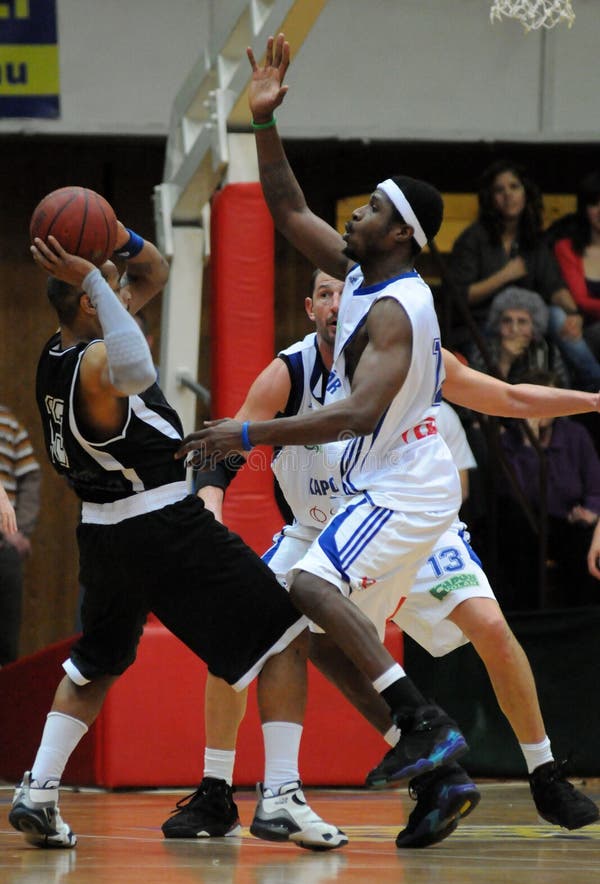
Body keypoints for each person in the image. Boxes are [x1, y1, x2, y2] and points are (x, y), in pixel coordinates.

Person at [176, 36, 600, 840]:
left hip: (409, 485)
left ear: (399, 234)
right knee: (306, 623)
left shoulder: (398, 312)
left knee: (317, 593)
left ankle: (446, 731)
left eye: (369, 210)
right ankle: (432, 764)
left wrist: (245, 430)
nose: (353, 217)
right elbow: (288, 208)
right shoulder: (362, 278)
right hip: (372, 492)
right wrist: (263, 123)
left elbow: (363, 416)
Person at [170, 269, 600, 846]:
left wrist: (593, 399)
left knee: (491, 626)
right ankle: (219, 789)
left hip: (408, 517)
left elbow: (510, 397)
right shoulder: (291, 371)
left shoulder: (410, 356)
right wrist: (210, 499)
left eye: (345, 293)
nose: (336, 303)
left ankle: (545, 775)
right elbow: (222, 448)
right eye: (324, 293)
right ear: (309, 306)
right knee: (240, 630)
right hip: (319, 531)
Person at [8, 227, 346, 854]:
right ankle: (281, 797)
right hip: (162, 523)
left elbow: (155, 273)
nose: (119, 288)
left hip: (103, 532)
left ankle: (39, 789)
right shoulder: (103, 364)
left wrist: (116, 239)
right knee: (286, 636)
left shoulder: (55, 352)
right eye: (106, 285)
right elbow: (136, 365)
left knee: (96, 663)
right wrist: (95, 278)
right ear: (87, 301)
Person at [449, 159, 600, 391]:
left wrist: (574, 314)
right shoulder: (473, 238)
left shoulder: (533, 240)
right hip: (483, 323)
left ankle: (594, 382)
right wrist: (504, 275)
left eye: (514, 187)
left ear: (526, 193)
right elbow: (459, 296)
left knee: (559, 316)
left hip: (526, 323)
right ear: (490, 198)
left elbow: (555, 286)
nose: (508, 195)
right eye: (499, 190)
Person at [497, 370, 600, 609]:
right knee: (519, 539)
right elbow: (518, 494)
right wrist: (527, 445)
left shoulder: (575, 434)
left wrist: (591, 511)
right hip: (530, 523)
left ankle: (583, 618)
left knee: (585, 544)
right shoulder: (508, 441)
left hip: (570, 520)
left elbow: (595, 485)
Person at [0, 403, 41, 665]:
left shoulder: (8, 422)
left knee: (5, 641)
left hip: (5, 550)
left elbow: (30, 477)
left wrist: (19, 530)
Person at [468, 286, 570, 386]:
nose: (514, 329)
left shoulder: (548, 350)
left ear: (534, 325)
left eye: (522, 322)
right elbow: (480, 394)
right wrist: (505, 361)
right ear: (498, 324)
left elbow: (564, 392)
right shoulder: (483, 350)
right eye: (507, 321)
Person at [553, 171, 600, 360]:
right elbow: (581, 300)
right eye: (594, 204)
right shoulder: (567, 248)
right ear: (584, 209)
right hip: (585, 327)